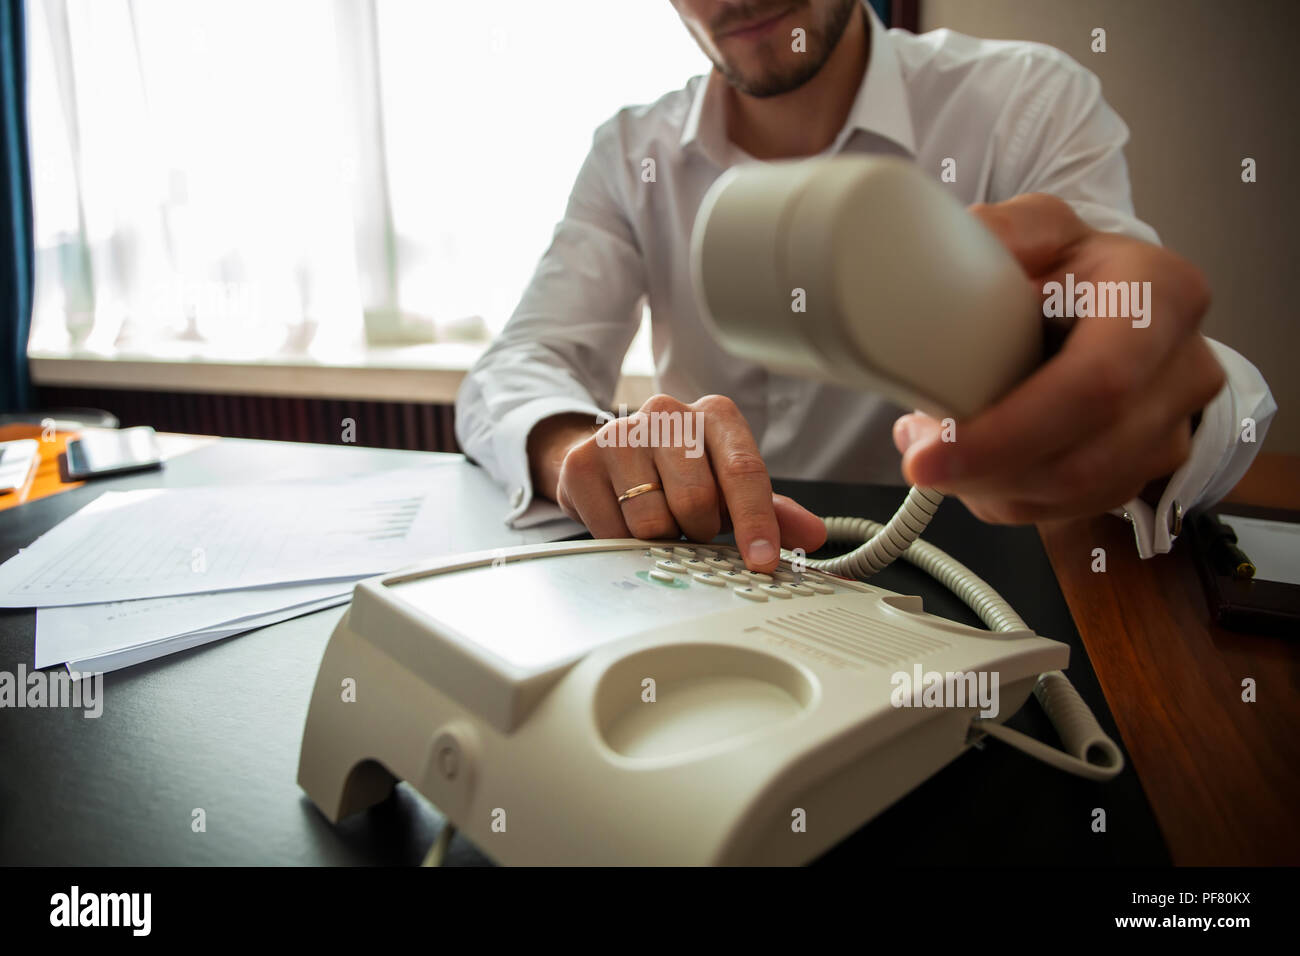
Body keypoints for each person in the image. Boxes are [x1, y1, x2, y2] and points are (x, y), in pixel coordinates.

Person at [455, 0, 1275, 573]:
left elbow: (1135, 352)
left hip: (973, 576)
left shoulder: (1024, 102)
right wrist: (575, 448)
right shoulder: (630, 152)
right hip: (710, 570)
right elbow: (519, 363)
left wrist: (1174, 411)